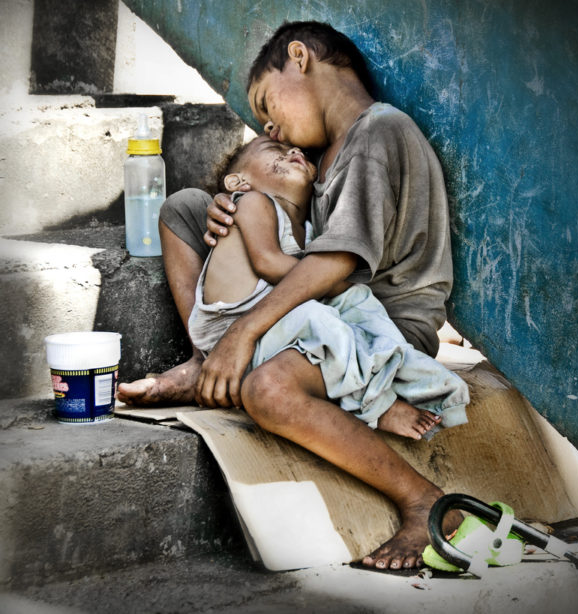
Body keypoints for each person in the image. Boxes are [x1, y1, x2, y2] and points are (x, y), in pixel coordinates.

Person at [119, 20, 463, 570]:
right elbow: (285, 249)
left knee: (268, 391)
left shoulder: (376, 135)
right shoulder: (322, 154)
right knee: (183, 208)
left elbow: (336, 263)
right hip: (316, 315)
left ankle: (424, 503)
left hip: (381, 329)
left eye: (265, 103)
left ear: (299, 58)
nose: (269, 126)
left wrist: (243, 331)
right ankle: (208, 358)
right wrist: (231, 214)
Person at [188, 134, 468, 439]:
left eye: (293, 149)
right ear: (238, 182)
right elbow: (268, 262)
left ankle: (411, 373)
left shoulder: (309, 230)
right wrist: (332, 283)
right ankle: (379, 406)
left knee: (358, 305)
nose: (292, 151)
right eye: (273, 150)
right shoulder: (253, 202)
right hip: (228, 340)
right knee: (321, 318)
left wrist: (340, 290)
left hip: (269, 336)